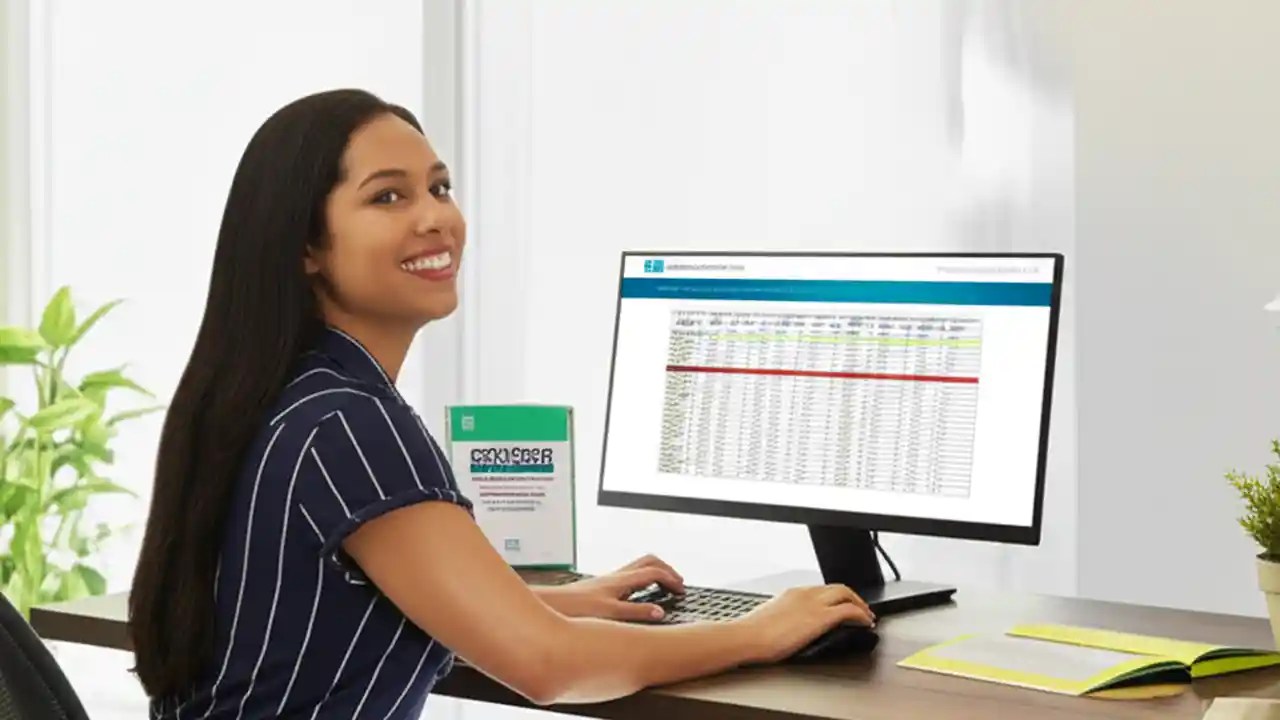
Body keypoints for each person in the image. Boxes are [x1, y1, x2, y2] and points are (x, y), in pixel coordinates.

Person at [127, 88, 874, 719]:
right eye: (388, 196)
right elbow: (550, 668)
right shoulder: (347, 425)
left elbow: (333, 609)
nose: (435, 219)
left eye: (440, 187)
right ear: (306, 246)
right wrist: (762, 629)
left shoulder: (285, 395)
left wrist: (546, 602)